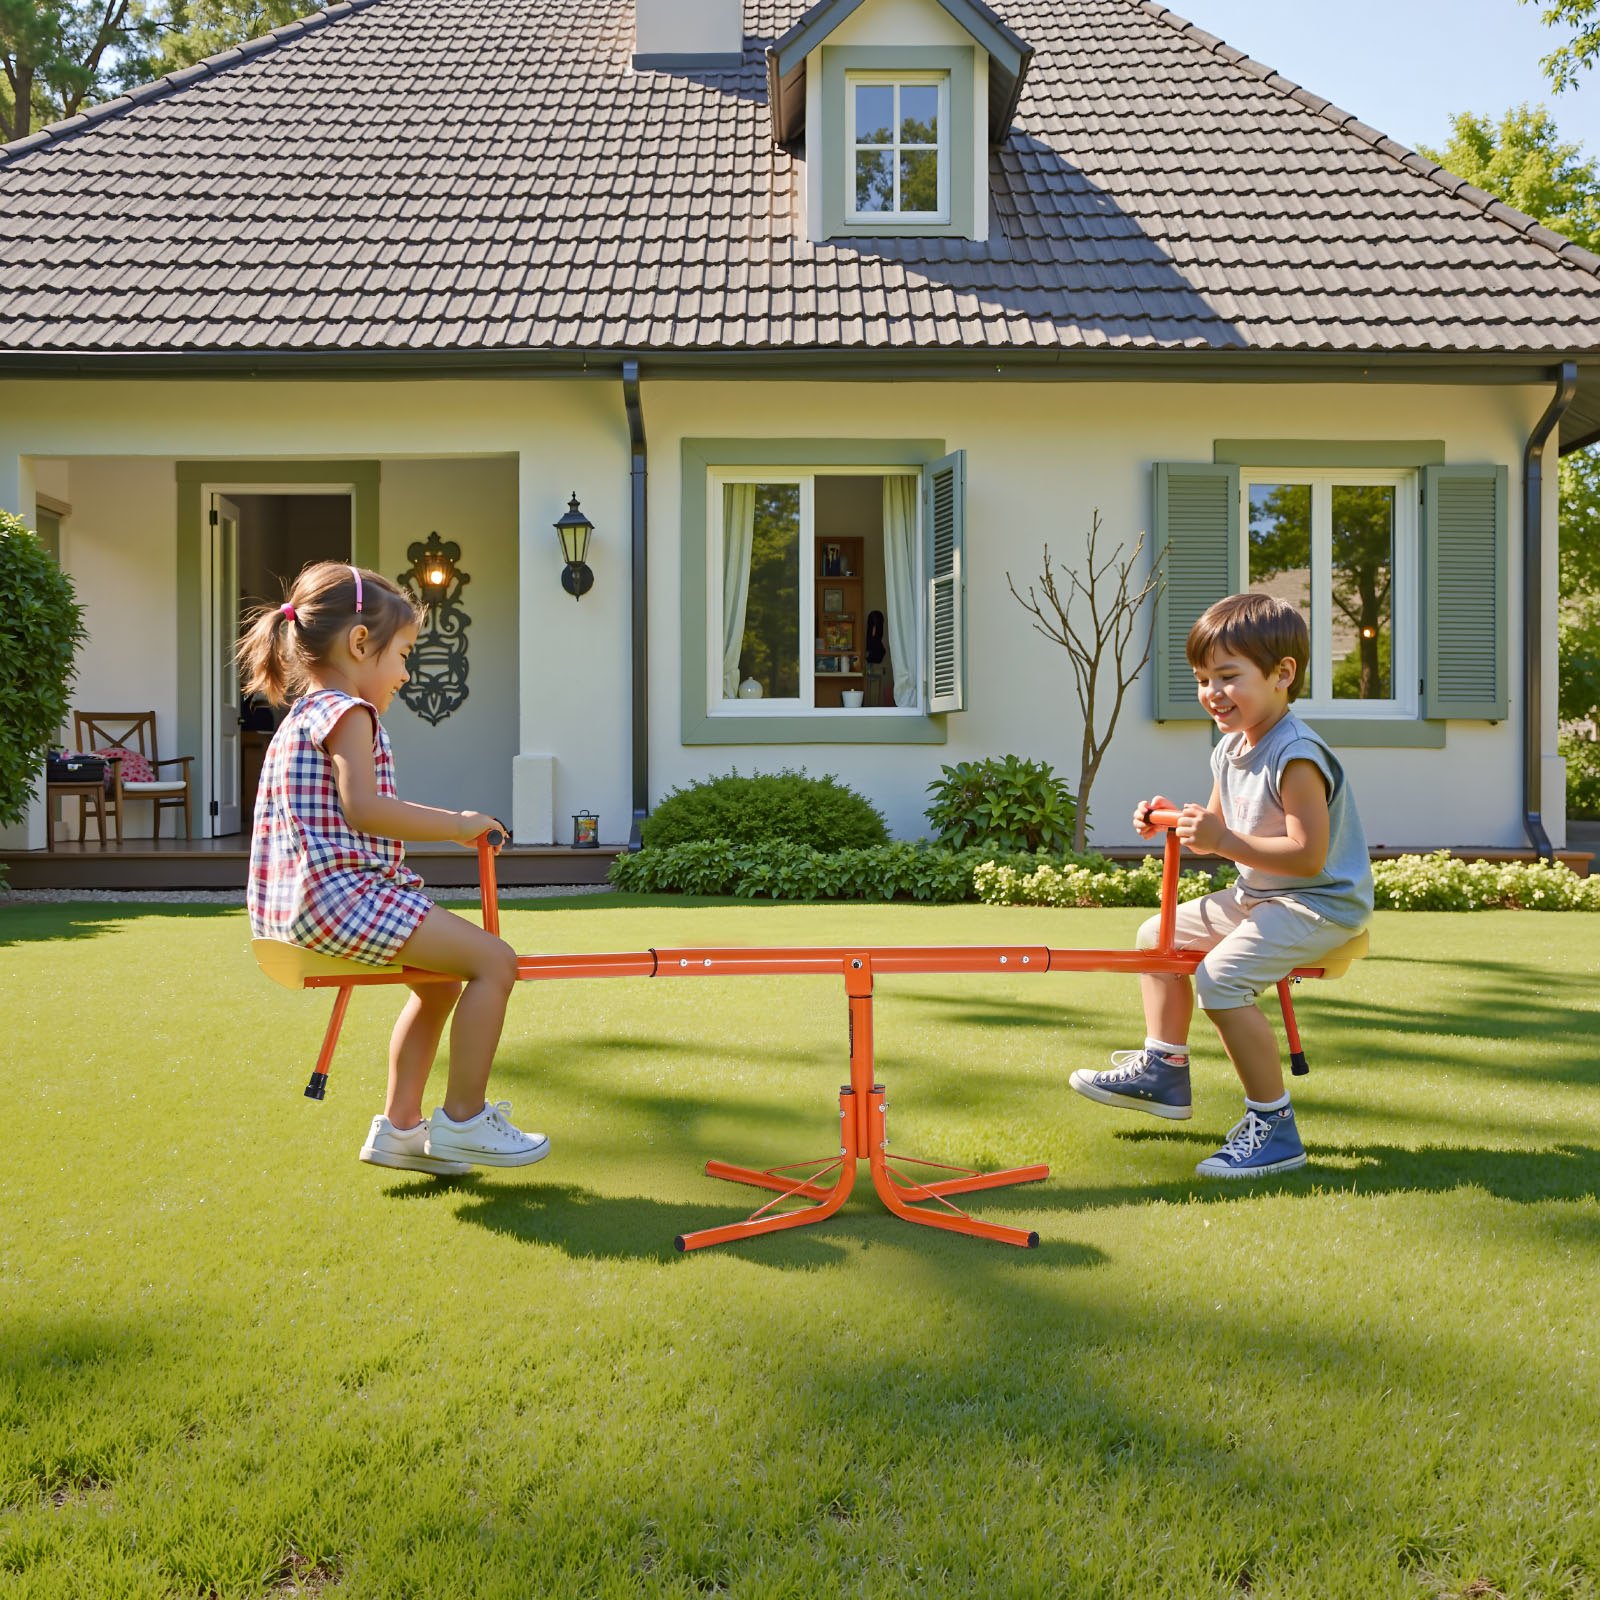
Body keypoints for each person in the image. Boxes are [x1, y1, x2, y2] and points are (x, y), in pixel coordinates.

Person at [239, 561, 548, 1176]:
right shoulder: (347, 714)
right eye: (403, 655)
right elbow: (367, 808)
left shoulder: (299, 718)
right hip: (342, 896)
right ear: (360, 644)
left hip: (300, 904)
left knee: (438, 985)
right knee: (494, 960)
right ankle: (465, 1119)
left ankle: (401, 1131)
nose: (407, 673)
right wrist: (459, 824)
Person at [1070, 592, 1372, 1177]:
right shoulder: (1230, 748)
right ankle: (1165, 1069)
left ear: (1282, 675)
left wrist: (1222, 840)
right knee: (1156, 935)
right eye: (1203, 678)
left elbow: (1308, 857)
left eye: (1228, 677)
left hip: (1318, 904)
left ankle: (1274, 1125)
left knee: (1220, 977)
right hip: (1261, 896)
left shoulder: (1297, 756)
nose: (1212, 693)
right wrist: (1174, 820)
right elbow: (1217, 830)